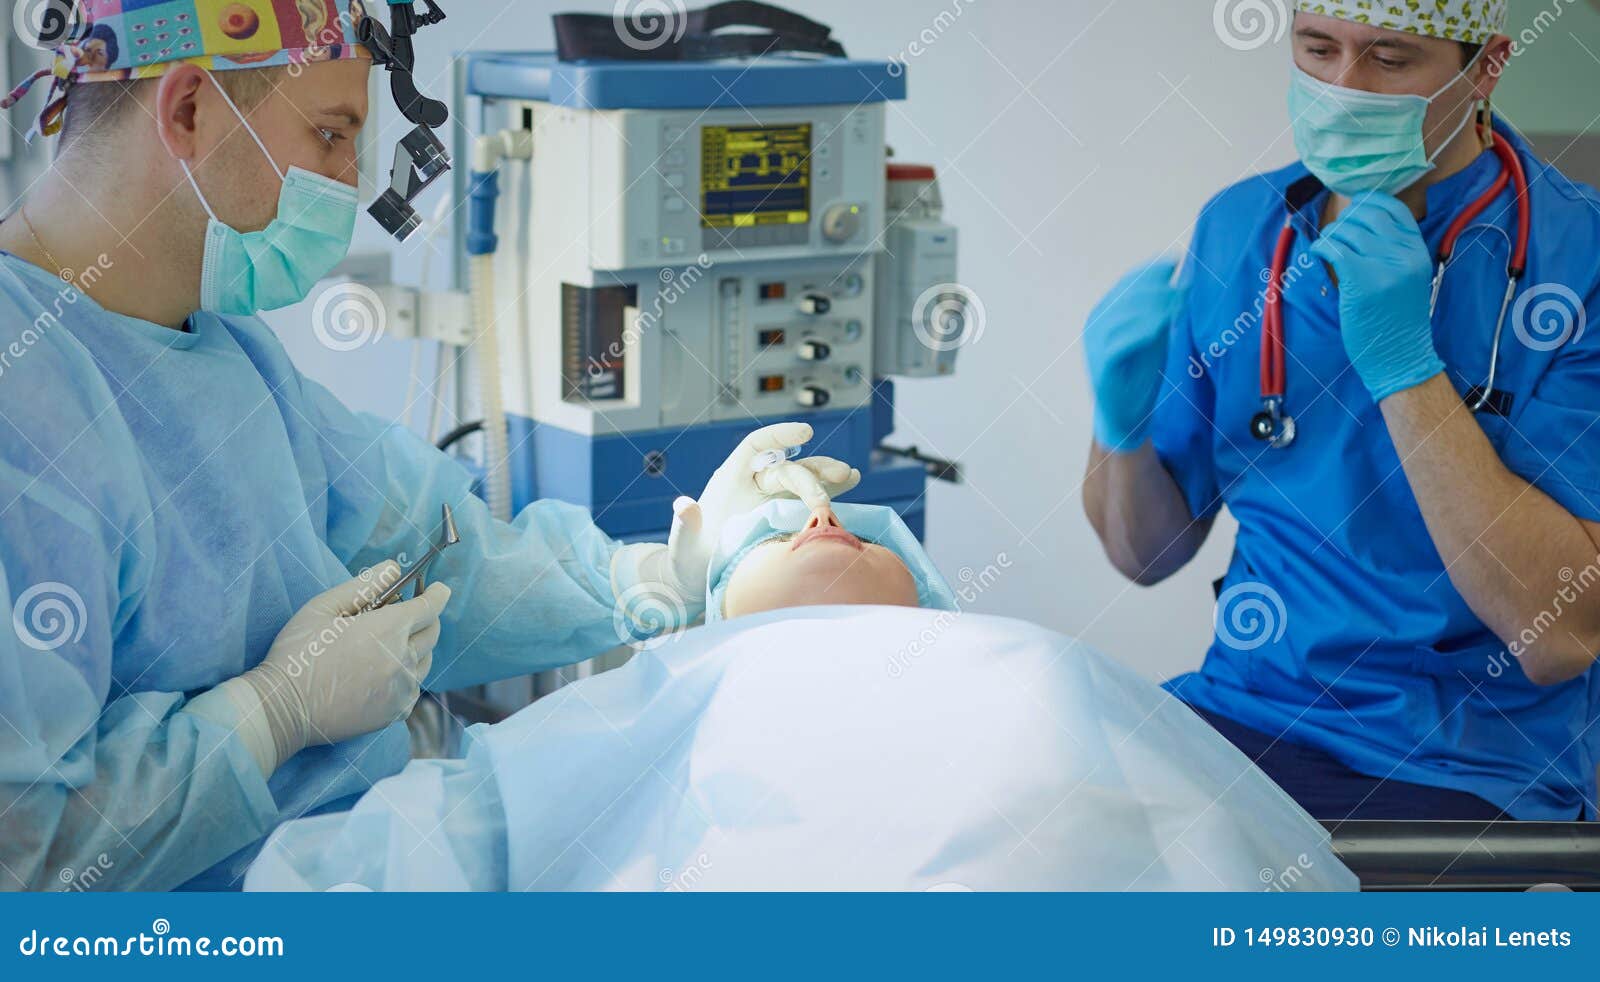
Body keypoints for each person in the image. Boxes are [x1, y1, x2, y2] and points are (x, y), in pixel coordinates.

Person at [0, 2, 857, 891]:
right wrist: (269, 716)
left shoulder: (224, 354)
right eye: (331, 134)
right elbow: (24, 857)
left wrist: (652, 579)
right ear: (186, 110)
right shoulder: (24, 407)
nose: (351, 178)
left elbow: (431, 545)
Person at [1082, 0, 1600, 821]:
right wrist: (1122, 430)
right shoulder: (1242, 229)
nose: (1343, 88)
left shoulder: (1579, 265)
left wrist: (1404, 370)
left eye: (1390, 61)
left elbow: (1563, 634)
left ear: (1488, 66)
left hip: (1462, 767)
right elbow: (1144, 555)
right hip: (1240, 718)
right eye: (1318, 50)